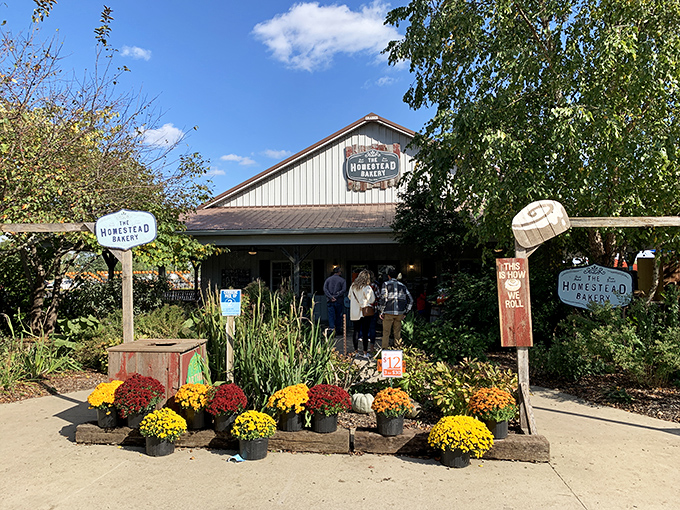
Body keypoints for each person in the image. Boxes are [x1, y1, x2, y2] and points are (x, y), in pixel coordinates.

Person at [378, 267, 413, 349]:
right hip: (400, 312)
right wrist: (406, 311)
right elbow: (410, 300)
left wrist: (381, 311)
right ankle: (397, 350)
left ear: (388, 276)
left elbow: (383, 298)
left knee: (386, 333)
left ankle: (385, 352)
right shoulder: (403, 286)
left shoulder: (386, 284)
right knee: (397, 333)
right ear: (397, 276)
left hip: (388, 312)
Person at [348, 269, 375, 359]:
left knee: (355, 331)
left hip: (355, 311)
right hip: (365, 312)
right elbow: (372, 300)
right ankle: (365, 352)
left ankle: (356, 351)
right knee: (365, 332)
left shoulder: (352, 286)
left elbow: (349, 296)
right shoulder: (367, 288)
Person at [323, 267, 346, 336]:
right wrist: (336, 296)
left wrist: (330, 297)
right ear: (339, 272)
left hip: (330, 301)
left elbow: (325, 289)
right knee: (338, 316)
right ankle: (338, 330)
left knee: (331, 316)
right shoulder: (342, 280)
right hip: (339, 300)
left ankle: (332, 330)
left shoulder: (328, 280)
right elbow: (343, 290)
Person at [367, 270, 380, 352]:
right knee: (372, 328)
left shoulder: (362, 286)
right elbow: (378, 296)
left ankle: (364, 348)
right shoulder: (374, 285)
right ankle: (372, 346)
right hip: (373, 309)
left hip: (363, 310)